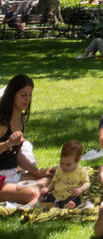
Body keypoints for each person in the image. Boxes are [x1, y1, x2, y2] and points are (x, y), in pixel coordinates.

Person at [0, 74, 53, 204]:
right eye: (23, 95)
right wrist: (8, 144)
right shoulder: (2, 122)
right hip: (1, 179)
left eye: (30, 95)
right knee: (34, 192)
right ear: (12, 95)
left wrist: (38, 173)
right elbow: (8, 147)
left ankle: (35, 196)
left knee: (53, 179)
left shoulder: (21, 119)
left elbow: (17, 155)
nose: (27, 99)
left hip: (12, 174)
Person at [38, 140, 91, 210]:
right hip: (57, 194)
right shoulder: (59, 170)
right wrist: (47, 189)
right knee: (48, 195)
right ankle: (47, 201)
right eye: (61, 163)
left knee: (75, 200)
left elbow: (87, 183)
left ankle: (67, 205)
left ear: (77, 160)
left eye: (68, 165)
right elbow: (53, 182)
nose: (64, 167)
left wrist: (80, 189)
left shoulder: (81, 171)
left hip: (70, 195)